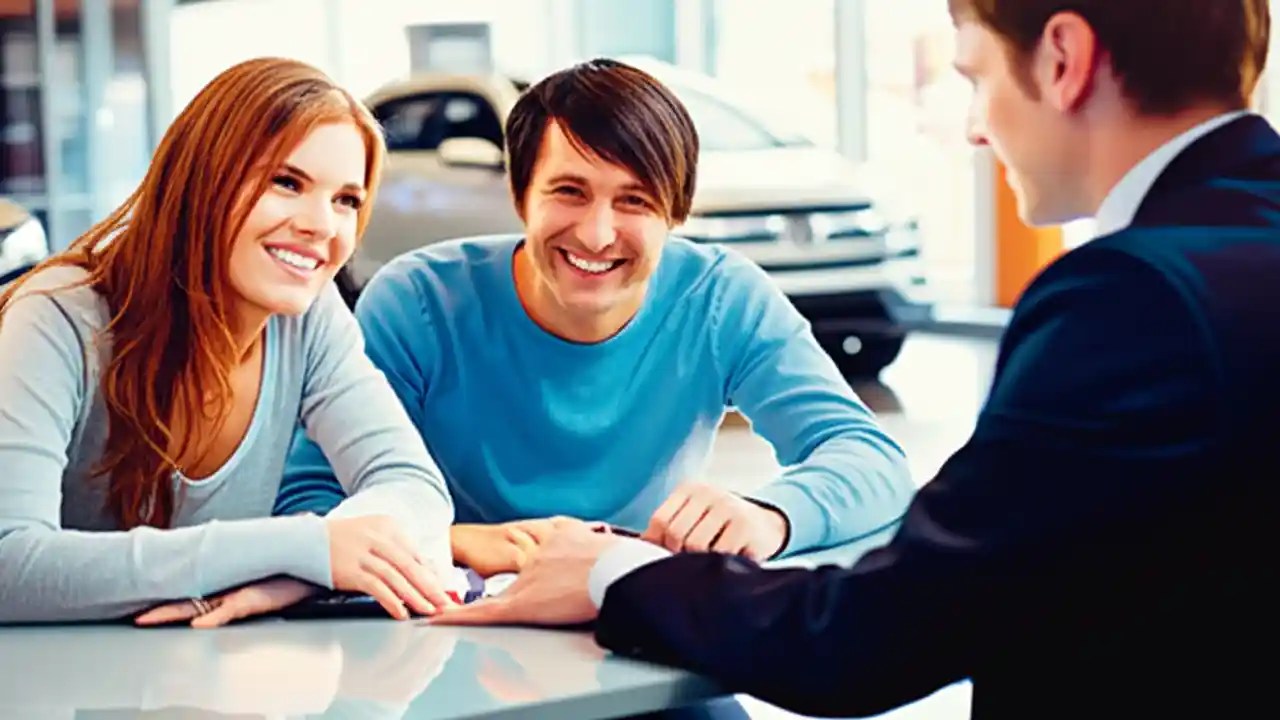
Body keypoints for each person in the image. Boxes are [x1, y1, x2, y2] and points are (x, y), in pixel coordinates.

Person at [436, 2, 1280, 718]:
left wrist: (620, 573)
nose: (977, 128)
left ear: (1063, 58)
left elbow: (878, 633)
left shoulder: (1132, 295)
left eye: (975, 76)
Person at [270, 59, 911, 582]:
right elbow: (312, 500)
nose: (598, 234)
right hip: (446, 615)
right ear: (521, 195)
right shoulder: (420, 303)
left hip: (628, 608)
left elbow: (870, 459)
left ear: (676, 215)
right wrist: (453, 541)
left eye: (635, 201)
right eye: (569, 192)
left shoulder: (722, 299)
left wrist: (772, 513)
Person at [0, 57, 457, 625]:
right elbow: (9, 562)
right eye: (286, 183)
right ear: (201, 182)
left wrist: (290, 577)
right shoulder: (59, 315)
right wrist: (300, 546)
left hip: (206, 667)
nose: (321, 225)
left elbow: (414, 488)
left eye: (346, 200)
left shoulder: (309, 318)